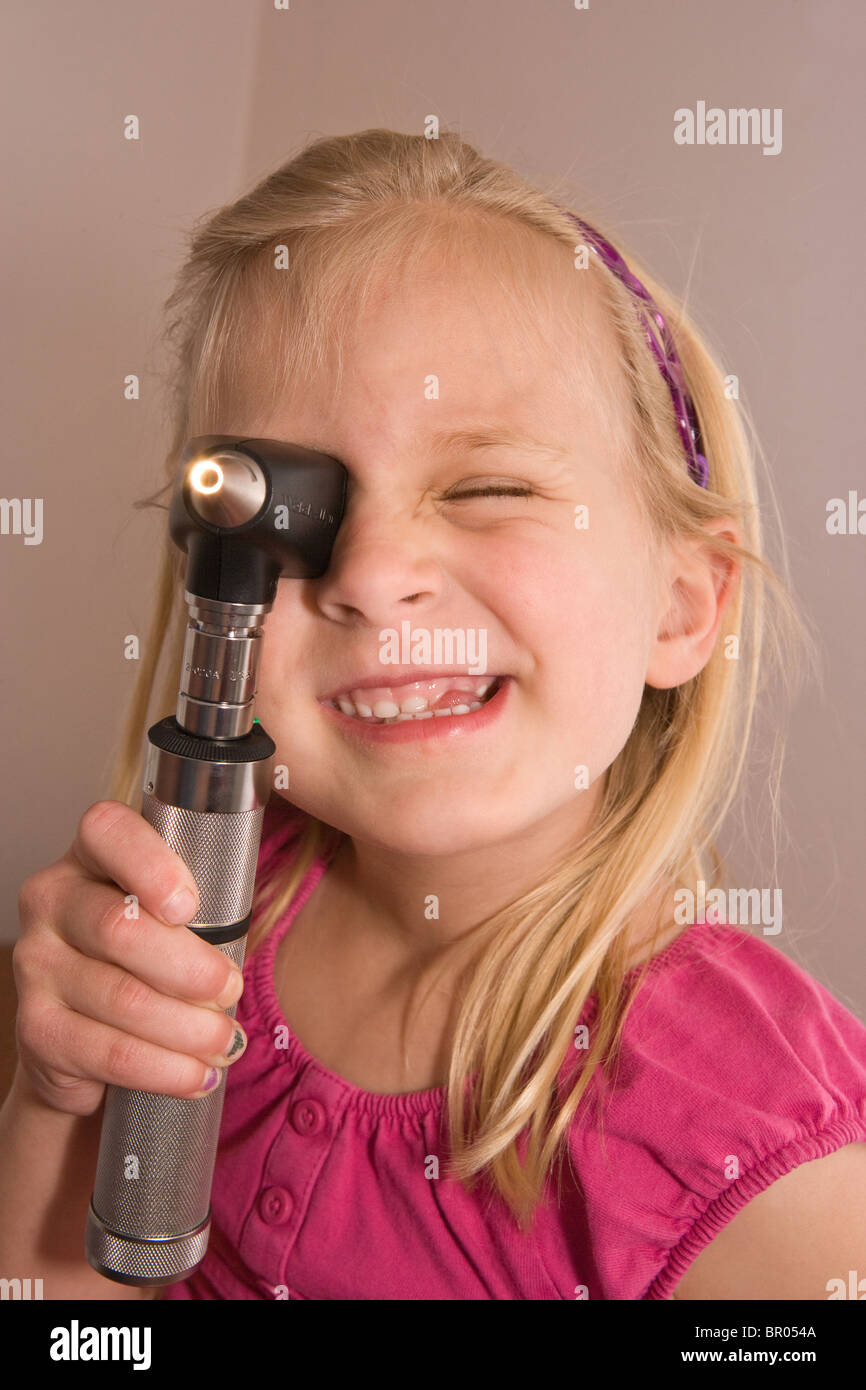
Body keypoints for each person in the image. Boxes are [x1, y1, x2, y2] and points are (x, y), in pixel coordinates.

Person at [4, 129, 866, 1301]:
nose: (367, 570)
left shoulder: (753, 1148)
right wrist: (60, 1102)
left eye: (485, 487)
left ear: (678, 605)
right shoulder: (208, 908)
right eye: (291, 515)